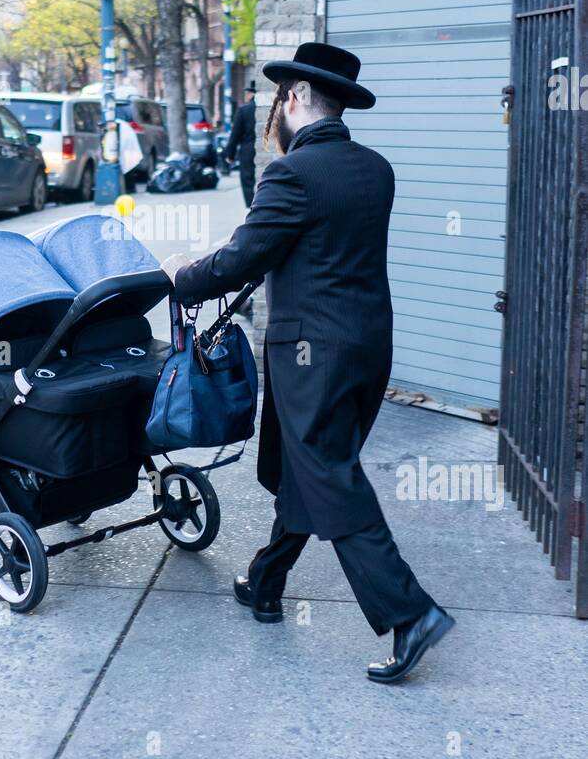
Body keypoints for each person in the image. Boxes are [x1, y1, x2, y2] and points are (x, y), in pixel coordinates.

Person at [161, 42, 454, 685]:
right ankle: (266, 582)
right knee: (308, 468)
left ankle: (409, 615)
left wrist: (181, 275)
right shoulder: (375, 170)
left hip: (310, 354)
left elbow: (243, 258)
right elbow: (304, 248)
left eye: (278, 101)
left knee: (329, 475)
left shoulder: (292, 174)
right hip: (367, 347)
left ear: (294, 99)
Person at [224, 84, 257, 208]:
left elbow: (235, 134)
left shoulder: (244, 110)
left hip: (247, 150)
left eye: (247, 93)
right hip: (264, 147)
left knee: (247, 179)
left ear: (251, 94)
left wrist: (230, 154)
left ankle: (251, 205)